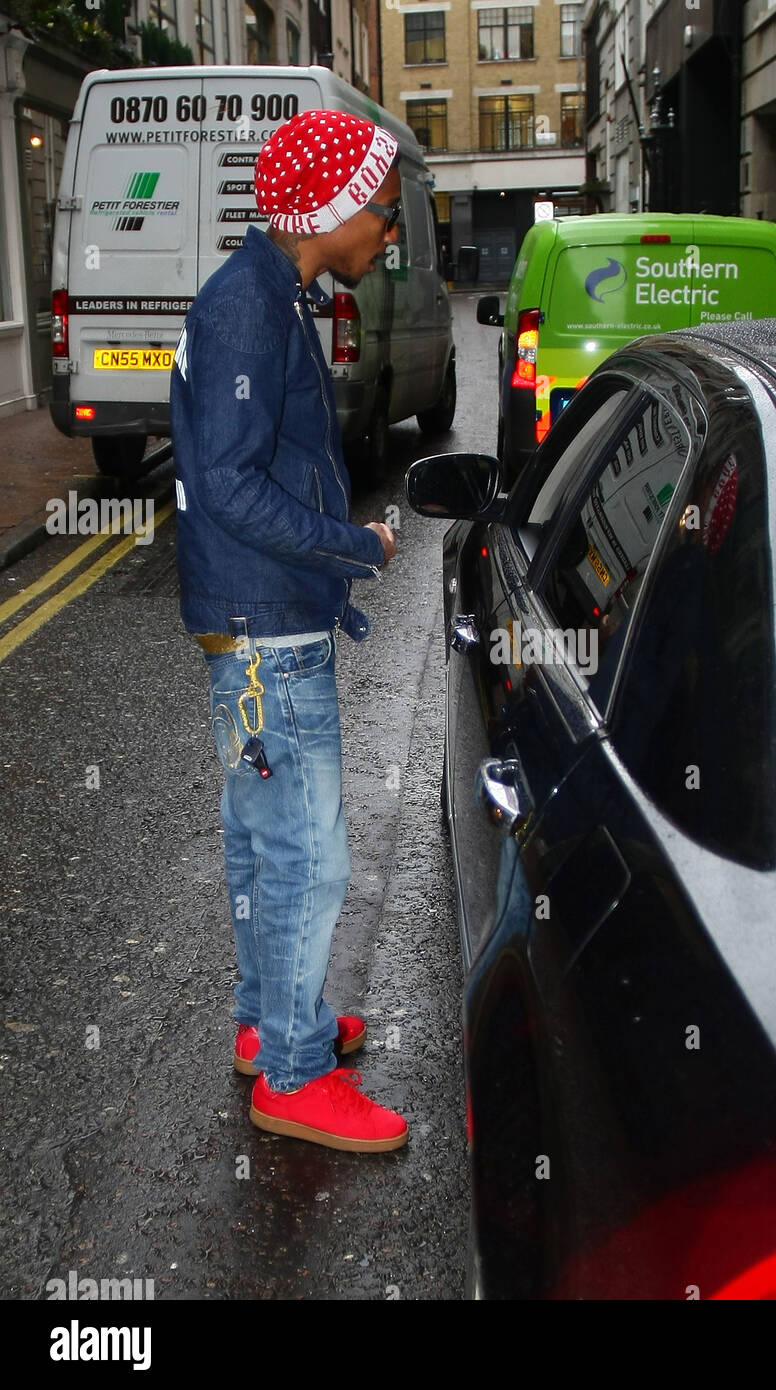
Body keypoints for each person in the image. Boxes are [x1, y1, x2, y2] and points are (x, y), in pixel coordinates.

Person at [170, 110, 408, 1153]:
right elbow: (226, 480)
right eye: (387, 215)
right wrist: (351, 543)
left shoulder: (269, 291)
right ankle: (297, 1076)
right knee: (308, 855)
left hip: (256, 623)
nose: (389, 236)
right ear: (338, 209)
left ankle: (276, 1027)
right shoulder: (248, 309)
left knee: (265, 844)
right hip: (265, 628)